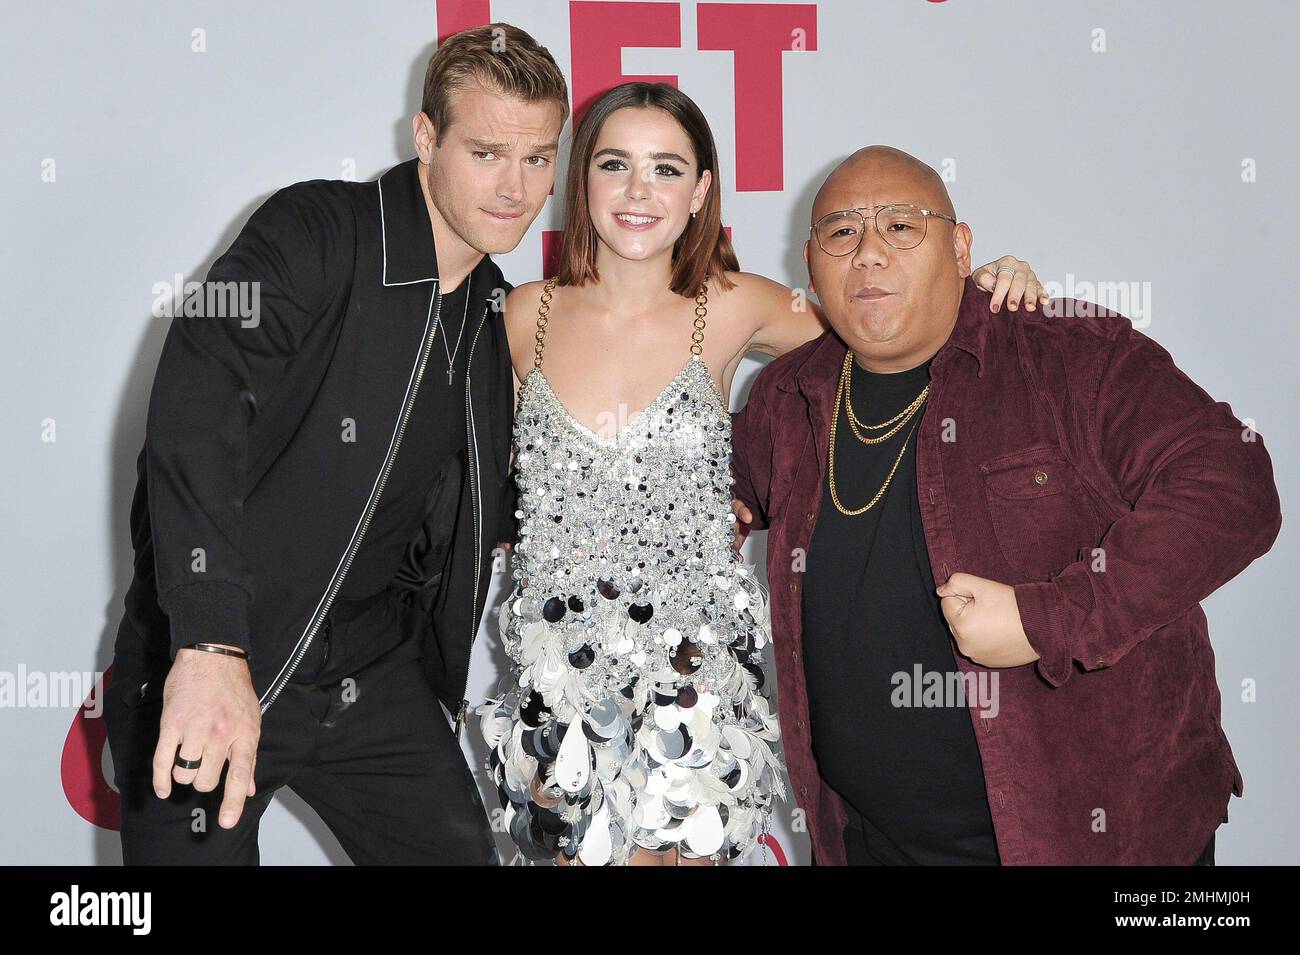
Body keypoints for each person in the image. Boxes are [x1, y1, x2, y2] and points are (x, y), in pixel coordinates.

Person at [476, 84, 1045, 866]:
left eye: (667, 169)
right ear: (583, 180)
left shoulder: (734, 306)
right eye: (616, 164)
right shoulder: (521, 315)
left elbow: (887, 318)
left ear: (702, 190)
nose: (640, 192)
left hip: (688, 675)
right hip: (562, 679)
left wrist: (982, 281)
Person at [729, 145, 1282, 865]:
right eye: (842, 232)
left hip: (1097, 846)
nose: (868, 253)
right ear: (810, 263)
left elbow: (1233, 485)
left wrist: (1047, 618)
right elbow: (711, 487)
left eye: (902, 226)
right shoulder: (788, 398)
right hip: (870, 842)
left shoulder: (1070, 355)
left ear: (961, 249)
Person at [104, 24, 570, 865]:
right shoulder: (315, 229)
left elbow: (484, 504)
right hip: (219, 657)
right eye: (488, 153)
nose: (517, 187)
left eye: (539, 158)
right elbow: (196, 404)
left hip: (371, 675)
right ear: (426, 137)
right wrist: (209, 642)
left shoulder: (496, 315)